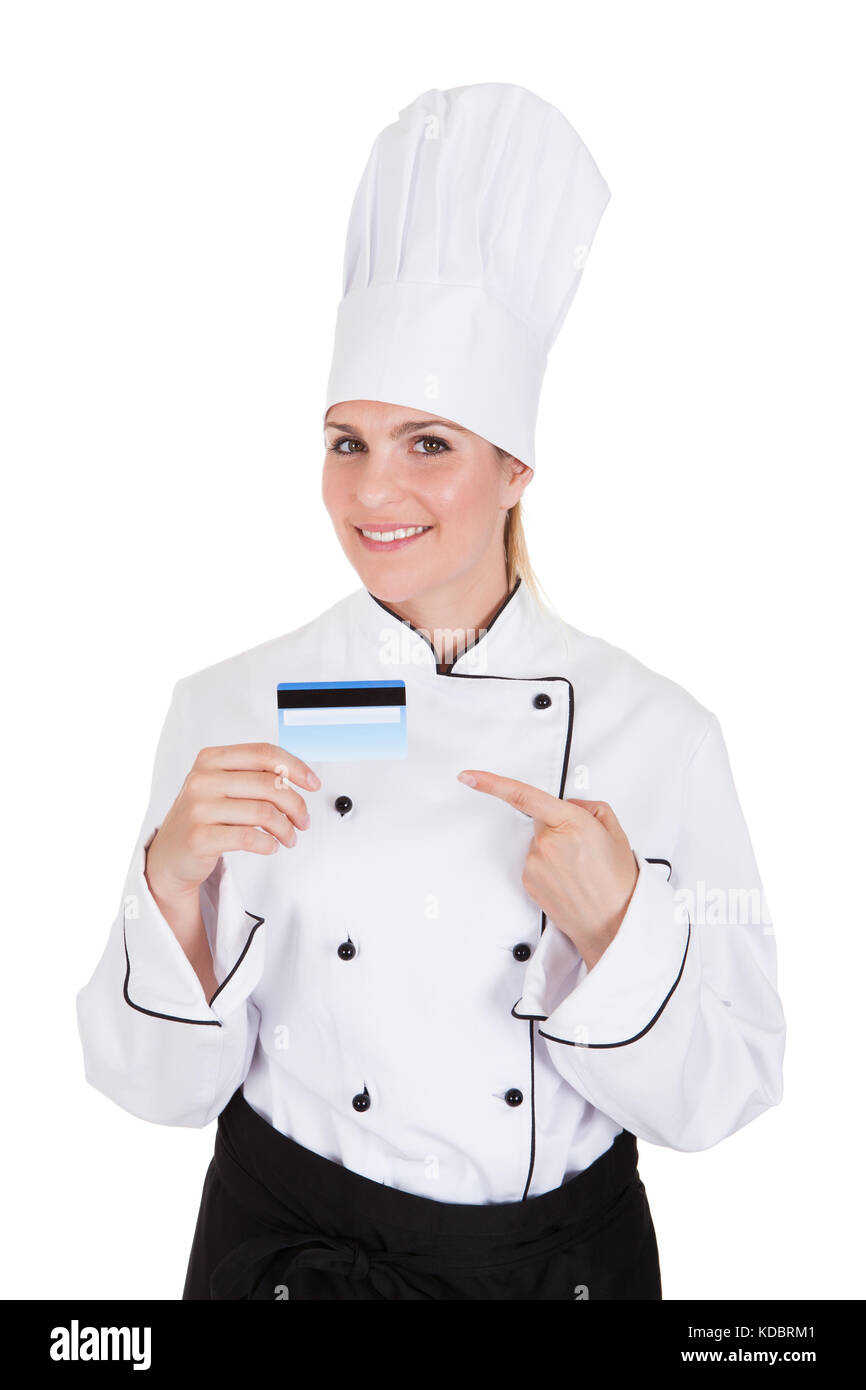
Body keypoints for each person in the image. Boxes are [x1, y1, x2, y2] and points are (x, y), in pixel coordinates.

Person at [76, 83, 786, 1301]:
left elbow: (726, 1093)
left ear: (514, 469)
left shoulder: (656, 735)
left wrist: (620, 929)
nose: (373, 492)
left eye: (428, 443)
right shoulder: (228, 707)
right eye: (345, 442)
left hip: (551, 1274)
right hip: (293, 1263)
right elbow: (154, 1091)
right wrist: (171, 883)